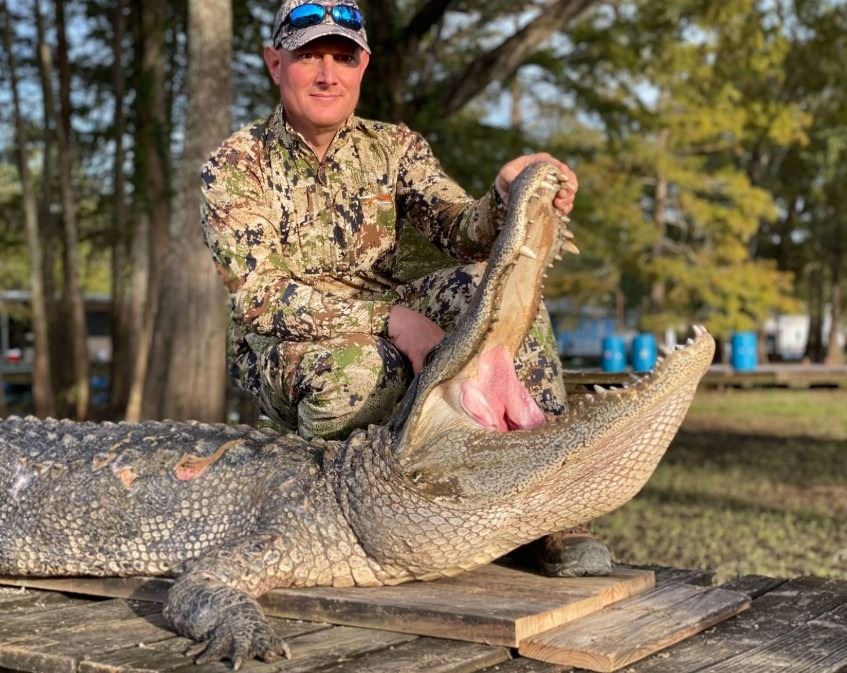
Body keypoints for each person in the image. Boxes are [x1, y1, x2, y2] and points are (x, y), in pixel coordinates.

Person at [201, 0, 611, 577]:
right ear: (274, 63)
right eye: (308, 56)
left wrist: (505, 196)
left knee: (483, 288)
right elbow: (261, 298)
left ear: (363, 64)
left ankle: (546, 511)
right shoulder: (236, 164)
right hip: (283, 345)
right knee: (361, 372)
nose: (327, 74)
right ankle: (349, 523)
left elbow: (462, 233)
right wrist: (392, 321)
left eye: (343, 57)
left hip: (392, 319)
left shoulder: (394, 148)